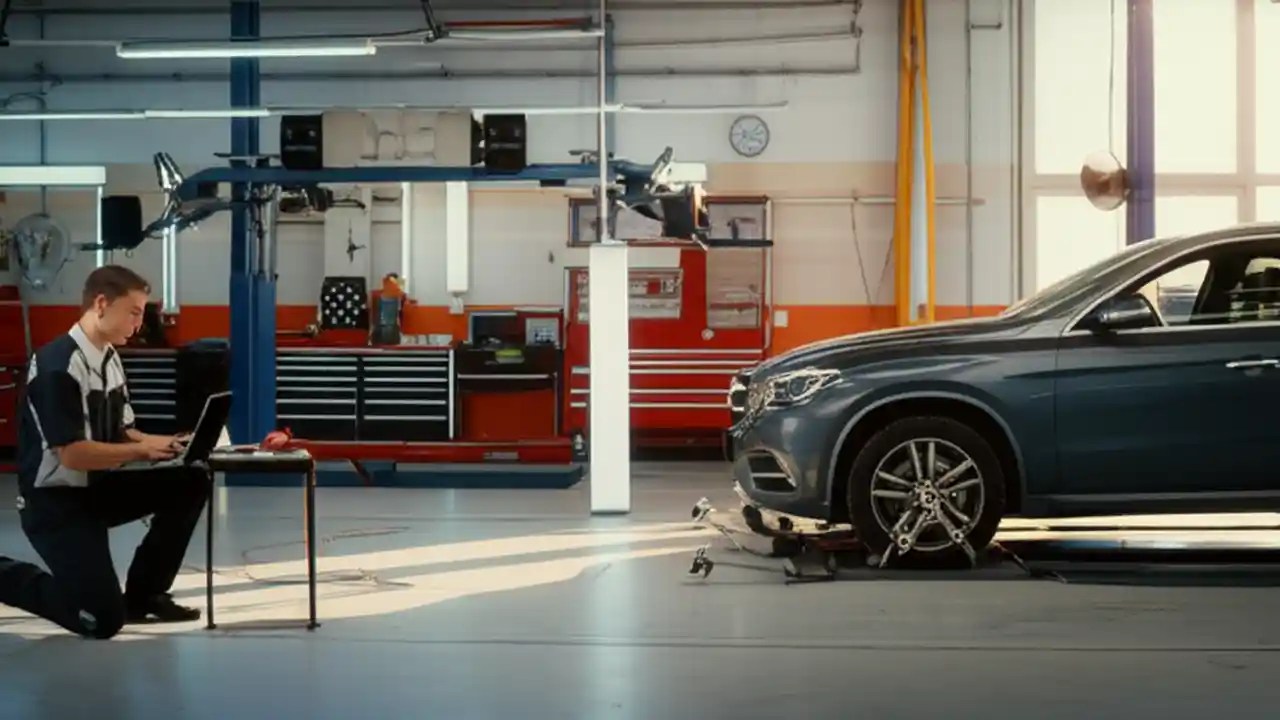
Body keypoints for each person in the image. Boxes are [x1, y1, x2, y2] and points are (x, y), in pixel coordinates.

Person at [0, 265, 207, 639]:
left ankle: (146, 596)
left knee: (190, 480)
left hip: (96, 491)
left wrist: (163, 443)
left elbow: (123, 431)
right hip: (55, 504)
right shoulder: (56, 367)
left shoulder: (110, 357)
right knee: (101, 620)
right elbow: (73, 455)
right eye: (134, 312)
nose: (139, 323)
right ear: (100, 304)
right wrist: (143, 453)